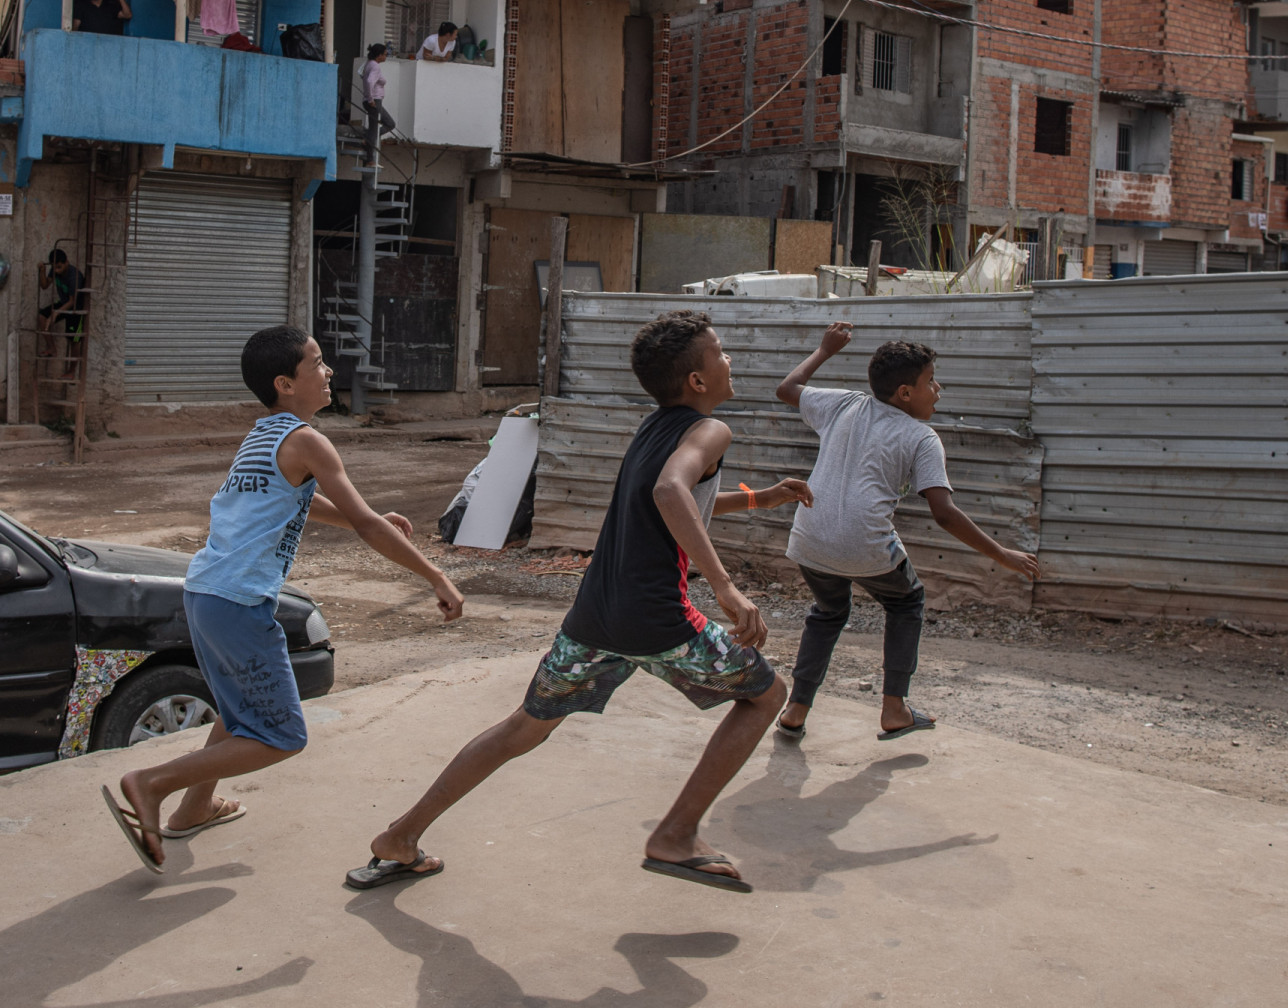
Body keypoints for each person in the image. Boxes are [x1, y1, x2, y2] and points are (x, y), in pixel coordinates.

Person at [348, 310, 811, 894]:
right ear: (696, 380)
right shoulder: (710, 431)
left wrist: (760, 499)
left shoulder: (654, 427)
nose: (728, 361)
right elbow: (671, 492)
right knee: (767, 693)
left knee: (523, 728)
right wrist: (723, 584)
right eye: (719, 353)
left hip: (594, 617)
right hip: (659, 619)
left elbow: (670, 500)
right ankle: (675, 834)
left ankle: (400, 836)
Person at [105, 325, 465, 876]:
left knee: (237, 710)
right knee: (281, 737)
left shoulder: (265, 436)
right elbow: (366, 524)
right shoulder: (308, 439)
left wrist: (363, 516)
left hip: (206, 595)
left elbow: (302, 501)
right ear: (285, 383)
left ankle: (192, 808)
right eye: (317, 364)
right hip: (239, 605)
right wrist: (435, 574)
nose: (328, 373)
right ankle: (150, 783)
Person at [772, 323, 1040, 743]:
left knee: (828, 613)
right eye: (930, 381)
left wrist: (825, 350)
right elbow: (945, 515)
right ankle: (894, 708)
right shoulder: (921, 436)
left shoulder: (844, 405)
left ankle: (796, 708)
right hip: (864, 542)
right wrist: (1003, 554)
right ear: (904, 394)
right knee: (907, 602)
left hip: (809, 535)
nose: (939, 388)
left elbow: (788, 388)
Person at [37, 249, 86, 379]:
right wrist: (42, 271)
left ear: (66, 263)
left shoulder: (74, 276)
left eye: (59, 267)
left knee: (74, 340)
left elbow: (72, 301)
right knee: (42, 316)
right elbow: (44, 285)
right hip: (64, 303)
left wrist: (56, 313)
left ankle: (71, 371)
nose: (56, 270)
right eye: (54, 267)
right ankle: (51, 348)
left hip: (76, 308)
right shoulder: (54, 269)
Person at [358, 42, 397, 147]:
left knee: (374, 127)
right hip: (374, 100)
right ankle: (368, 139)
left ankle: (369, 137)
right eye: (385, 54)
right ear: (379, 55)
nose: (386, 56)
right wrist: (370, 99)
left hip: (371, 100)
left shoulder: (369, 63)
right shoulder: (375, 66)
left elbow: (362, 76)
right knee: (389, 124)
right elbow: (370, 81)